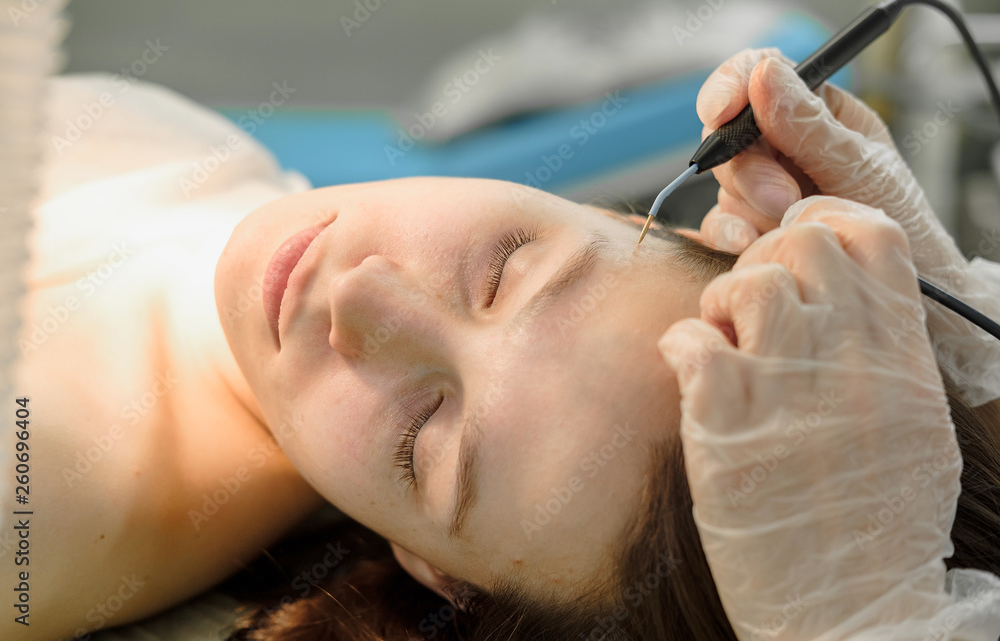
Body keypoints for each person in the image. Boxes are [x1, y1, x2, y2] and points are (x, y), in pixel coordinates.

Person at [7, 45, 1000, 641]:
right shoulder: (233, 195)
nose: (359, 300)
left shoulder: (34, 497)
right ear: (671, 222)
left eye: (421, 437)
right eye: (507, 267)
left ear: (432, 567)